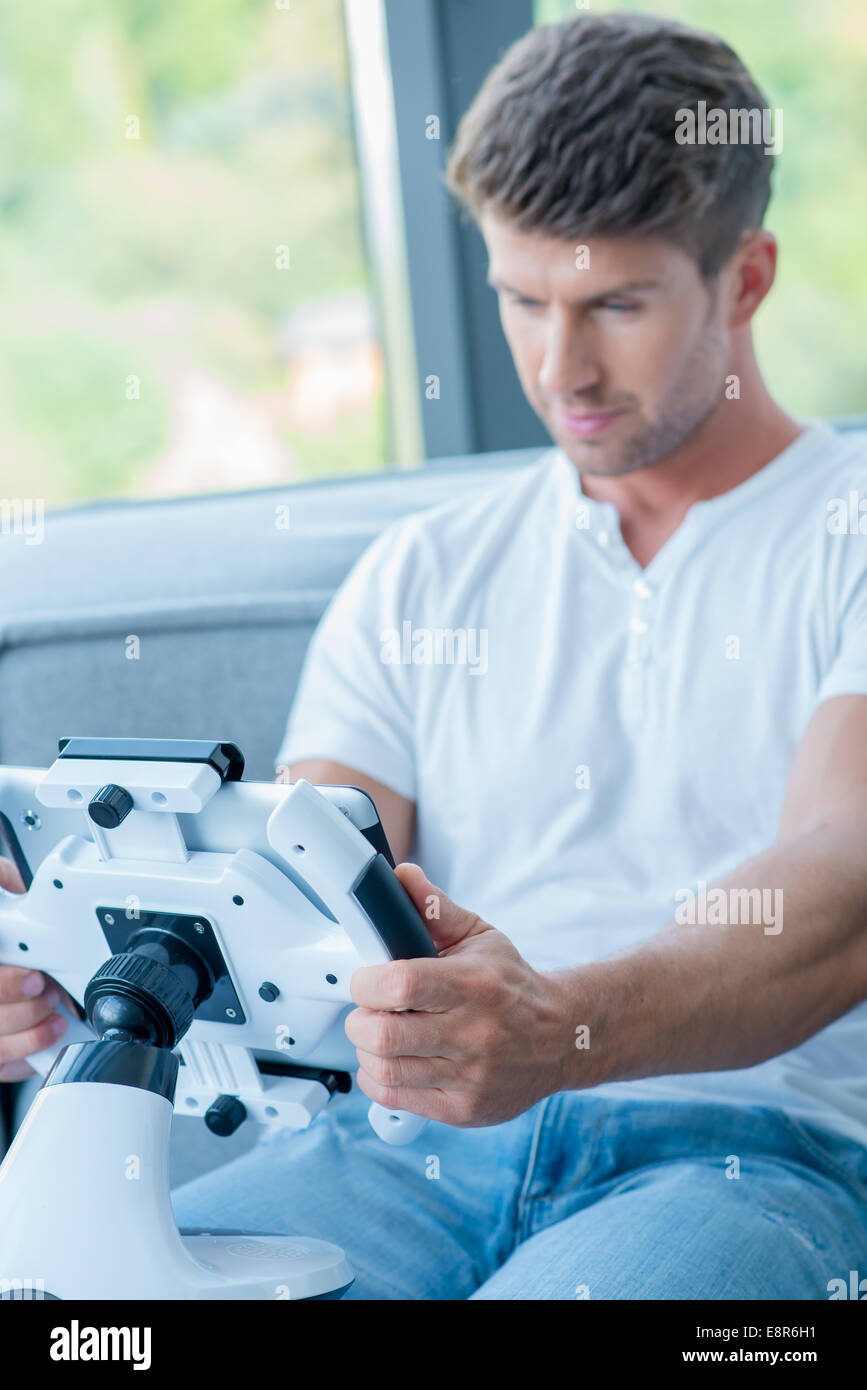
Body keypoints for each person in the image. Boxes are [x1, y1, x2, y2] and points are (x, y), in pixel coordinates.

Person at [3, 11, 867, 1299]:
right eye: (522, 300)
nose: (558, 365)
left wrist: (562, 1030)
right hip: (395, 1152)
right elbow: (290, 869)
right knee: (78, 1313)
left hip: (742, 1151)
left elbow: (841, 891)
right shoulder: (423, 570)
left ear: (744, 278)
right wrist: (93, 965)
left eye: (615, 305)